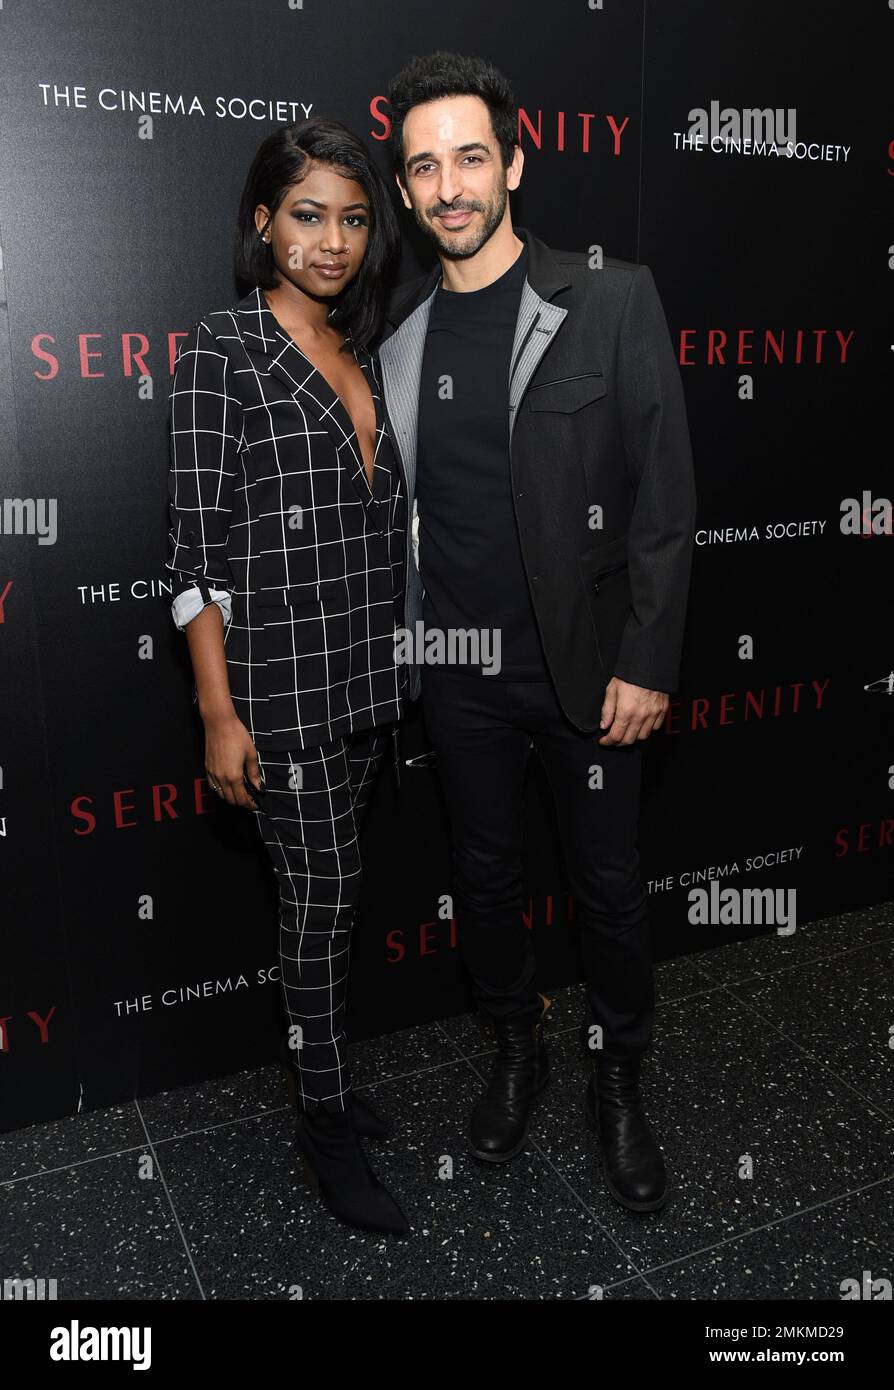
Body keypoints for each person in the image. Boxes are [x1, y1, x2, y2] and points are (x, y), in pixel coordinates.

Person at [379, 51, 697, 1212]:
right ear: (408, 193)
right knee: (489, 880)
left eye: (471, 156)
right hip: (456, 674)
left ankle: (621, 1078)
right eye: (425, 166)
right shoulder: (399, 334)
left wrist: (649, 658)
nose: (450, 184)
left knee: (608, 890)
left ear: (513, 162)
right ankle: (517, 1047)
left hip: (587, 670)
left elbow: (664, 497)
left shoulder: (610, 298)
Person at [165, 117, 410, 1235]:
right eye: (307, 215)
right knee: (316, 917)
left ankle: (327, 1086)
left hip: (366, 692)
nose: (332, 241)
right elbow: (193, 558)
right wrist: (219, 714)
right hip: (280, 703)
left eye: (353, 219)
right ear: (262, 223)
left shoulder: (360, 352)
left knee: (337, 908)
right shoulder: (224, 349)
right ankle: (323, 1128)